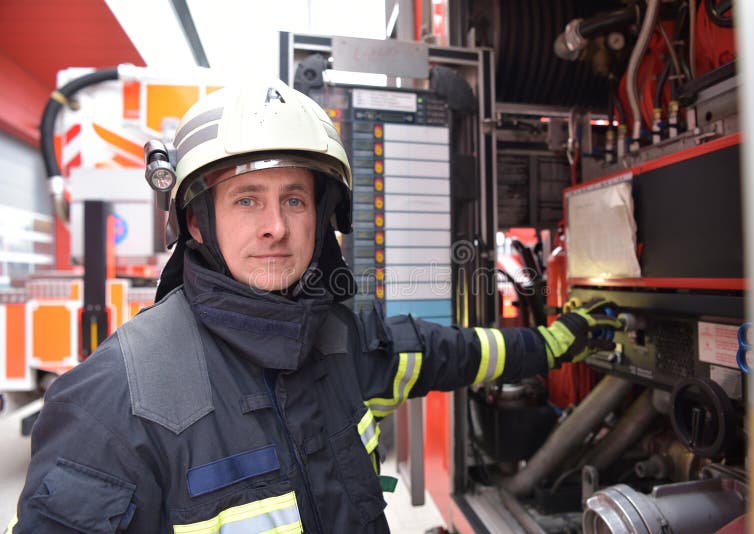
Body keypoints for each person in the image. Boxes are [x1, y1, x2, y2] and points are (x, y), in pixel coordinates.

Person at [10, 80, 620, 533]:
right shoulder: (113, 404)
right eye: (247, 200)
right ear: (196, 222)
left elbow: (453, 353)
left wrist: (557, 341)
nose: (275, 227)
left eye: (295, 200)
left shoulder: (342, 341)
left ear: (323, 216)